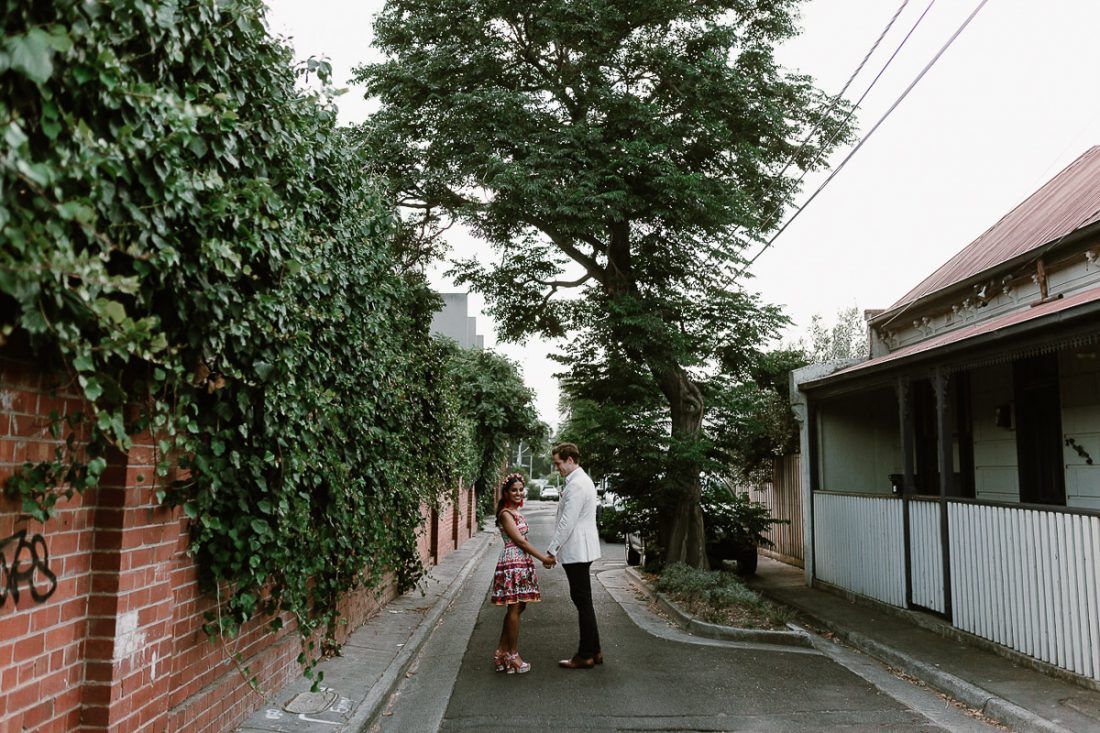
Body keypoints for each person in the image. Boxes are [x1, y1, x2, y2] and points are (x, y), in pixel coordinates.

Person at [491, 473, 555, 674]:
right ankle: (513, 655)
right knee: (514, 608)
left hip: (521, 562)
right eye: (514, 490)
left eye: (520, 489)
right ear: (506, 493)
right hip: (513, 562)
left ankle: (502, 652)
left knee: (518, 608)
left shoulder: (515, 512)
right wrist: (543, 558)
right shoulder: (505, 514)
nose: (518, 493)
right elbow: (520, 541)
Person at [546, 442, 603, 669]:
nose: (556, 468)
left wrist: (552, 549)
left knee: (582, 602)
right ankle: (594, 650)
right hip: (582, 548)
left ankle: (585, 654)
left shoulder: (577, 484)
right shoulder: (581, 480)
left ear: (570, 460)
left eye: (558, 463)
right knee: (584, 601)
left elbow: (567, 521)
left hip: (578, 549)